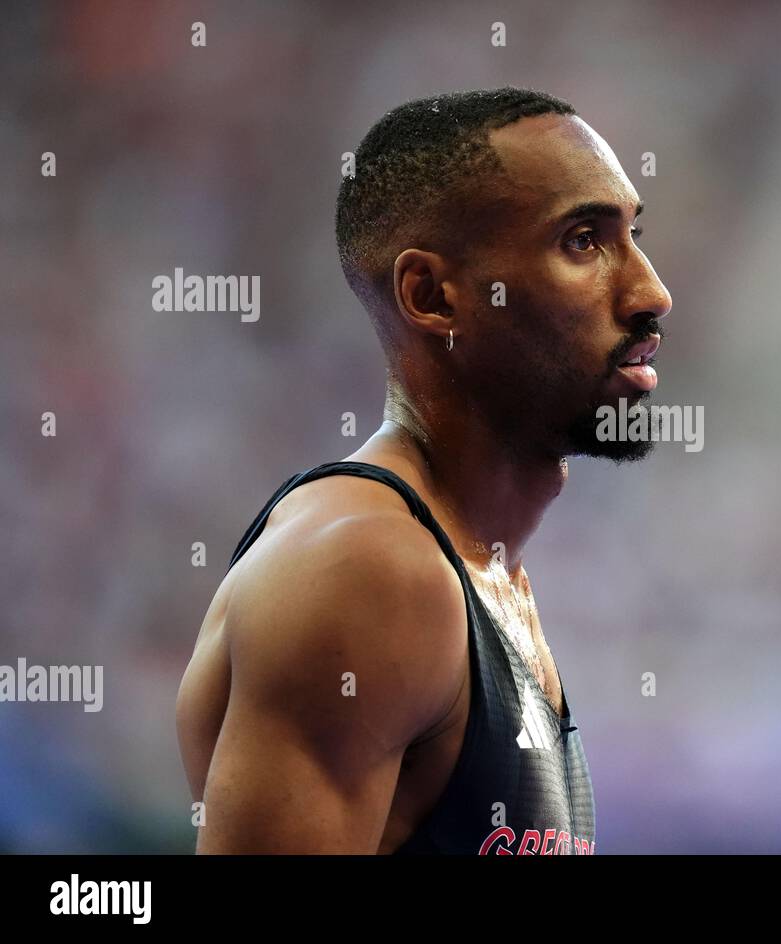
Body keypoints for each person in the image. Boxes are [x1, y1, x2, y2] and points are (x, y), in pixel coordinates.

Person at [175, 87, 672, 854]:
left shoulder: (480, 573)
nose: (651, 292)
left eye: (632, 235)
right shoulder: (368, 571)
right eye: (582, 241)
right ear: (432, 296)